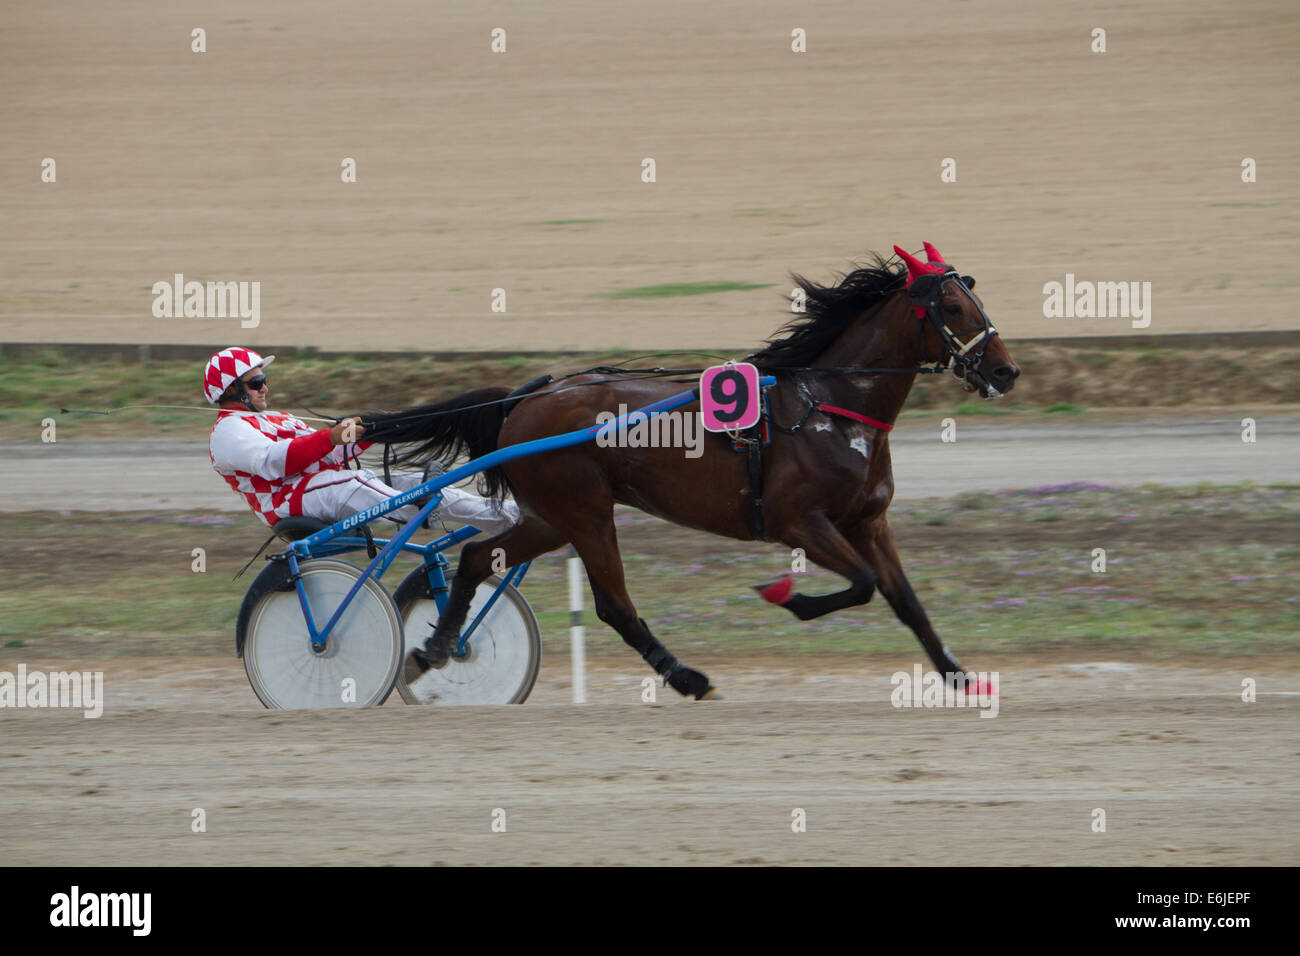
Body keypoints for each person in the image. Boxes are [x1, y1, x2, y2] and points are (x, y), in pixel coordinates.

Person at [204, 346, 518, 534]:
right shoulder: (228, 433)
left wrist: (372, 430)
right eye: (256, 382)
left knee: (411, 482)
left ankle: (506, 519)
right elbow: (274, 463)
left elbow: (327, 456)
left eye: (264, 380)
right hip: (286, 502)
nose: (265, 388)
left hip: (320, 486)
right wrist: (332, 437)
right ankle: (420, 511)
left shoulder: (278, 417)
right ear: (231, 390)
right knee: (356, 481)